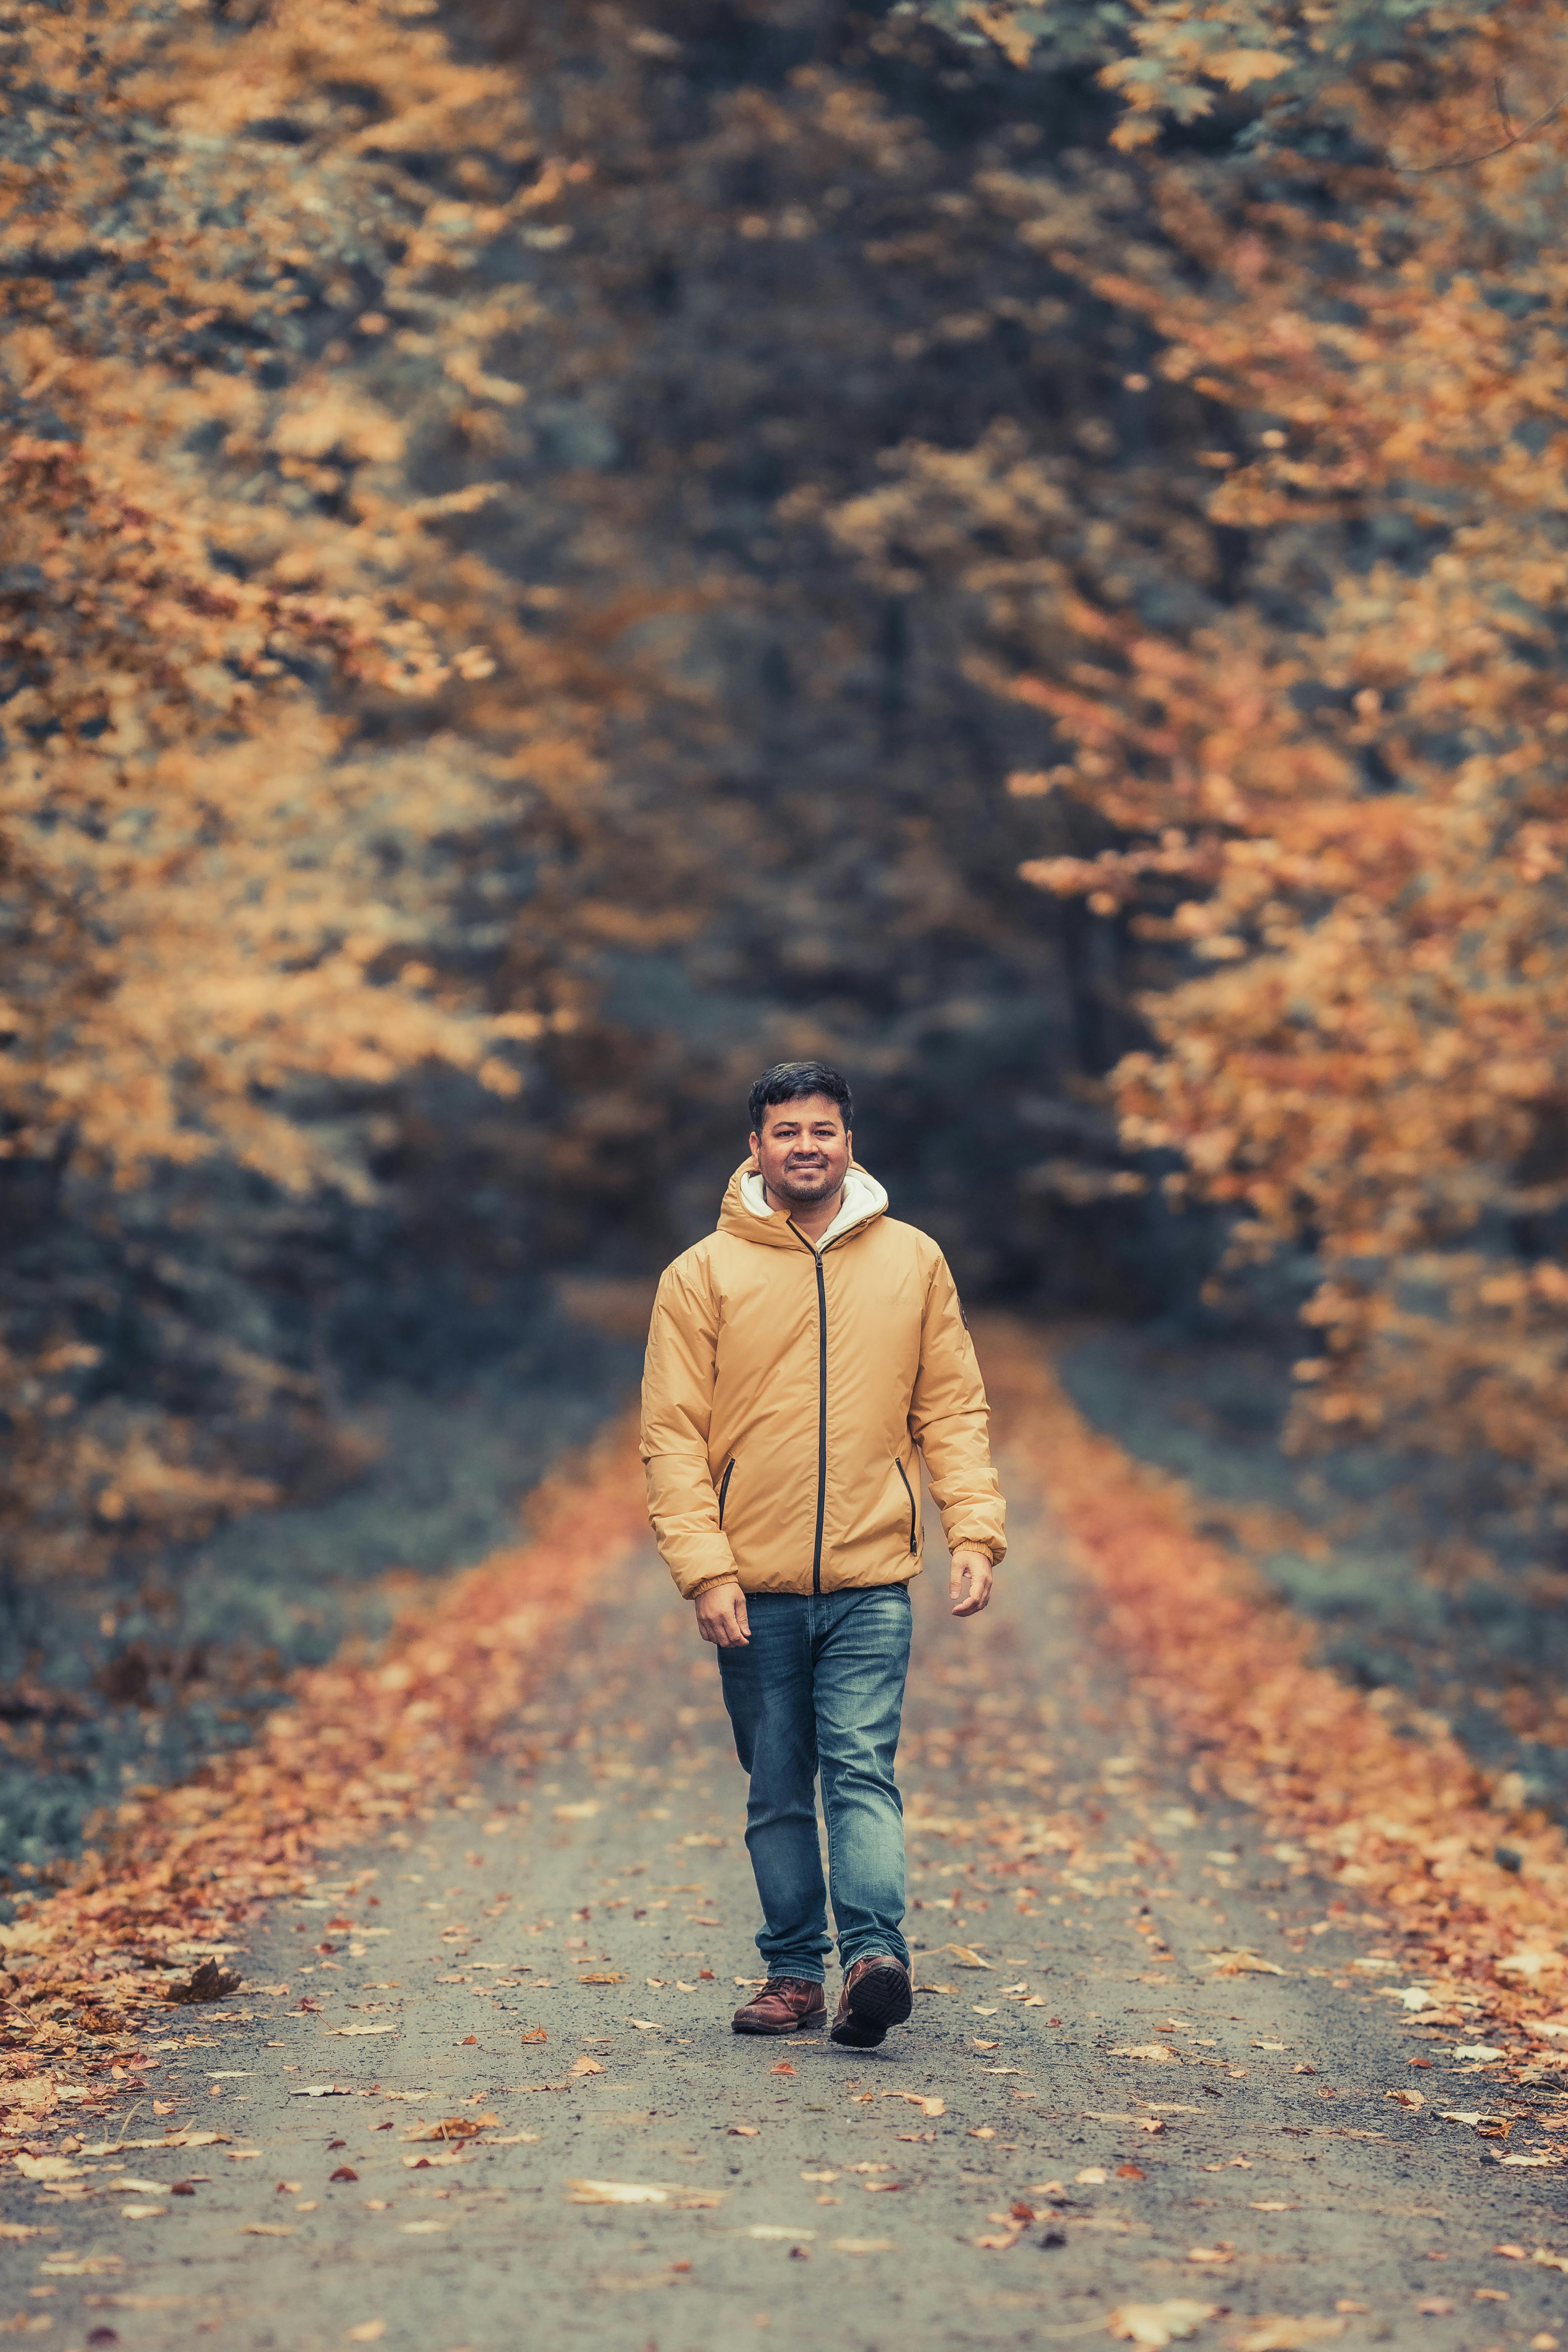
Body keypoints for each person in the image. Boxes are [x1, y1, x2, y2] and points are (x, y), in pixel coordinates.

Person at [639, 1061, 1006, 2047]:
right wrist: (706, 1567)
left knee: (859, 1765)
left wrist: (973, 1528)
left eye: (825, 1129)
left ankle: (875, 1959)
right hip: (750, 1588)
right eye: (786, 1130)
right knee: (775, 1779)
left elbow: (952, 1408)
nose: (807, 1144)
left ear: (851, 1141)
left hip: (872, 1578)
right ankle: (794, 1972)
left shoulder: (913, 1261)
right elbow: (672, 1435)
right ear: (755, 1147)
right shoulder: (701, 1274)